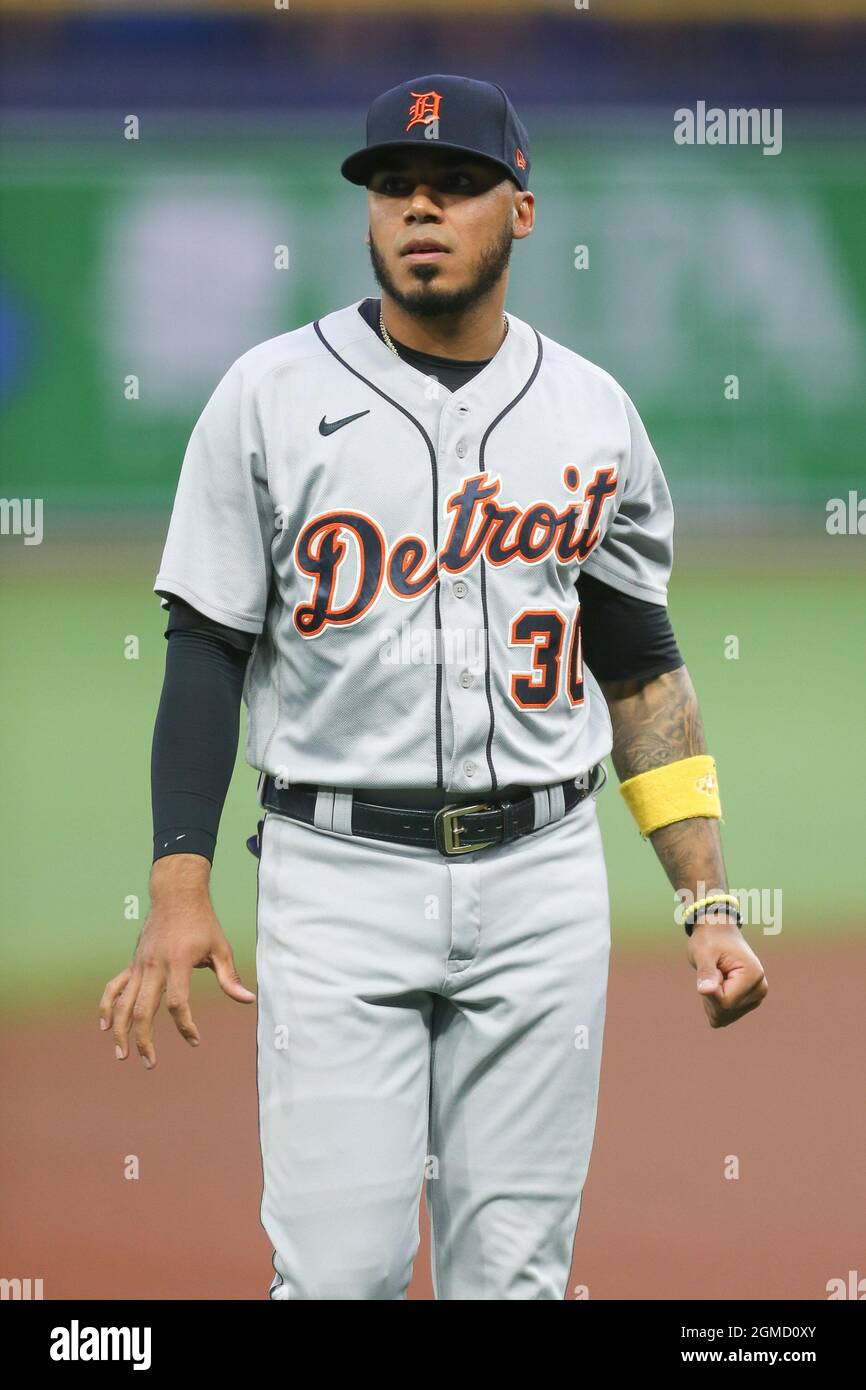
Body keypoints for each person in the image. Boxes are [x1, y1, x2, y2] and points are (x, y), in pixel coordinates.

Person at [99, 74, 768, 1301]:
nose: (420, 207)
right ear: (364, 215)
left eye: (456, 185)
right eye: (394, 186)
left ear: (518, 209)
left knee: (511, 1282)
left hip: (542, 880)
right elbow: (204, 647)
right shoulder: (266, 396)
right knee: (339, 1276)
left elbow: (636, 666)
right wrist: (177, 884)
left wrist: (706, 904)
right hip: (337, 874)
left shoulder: (590, 413)